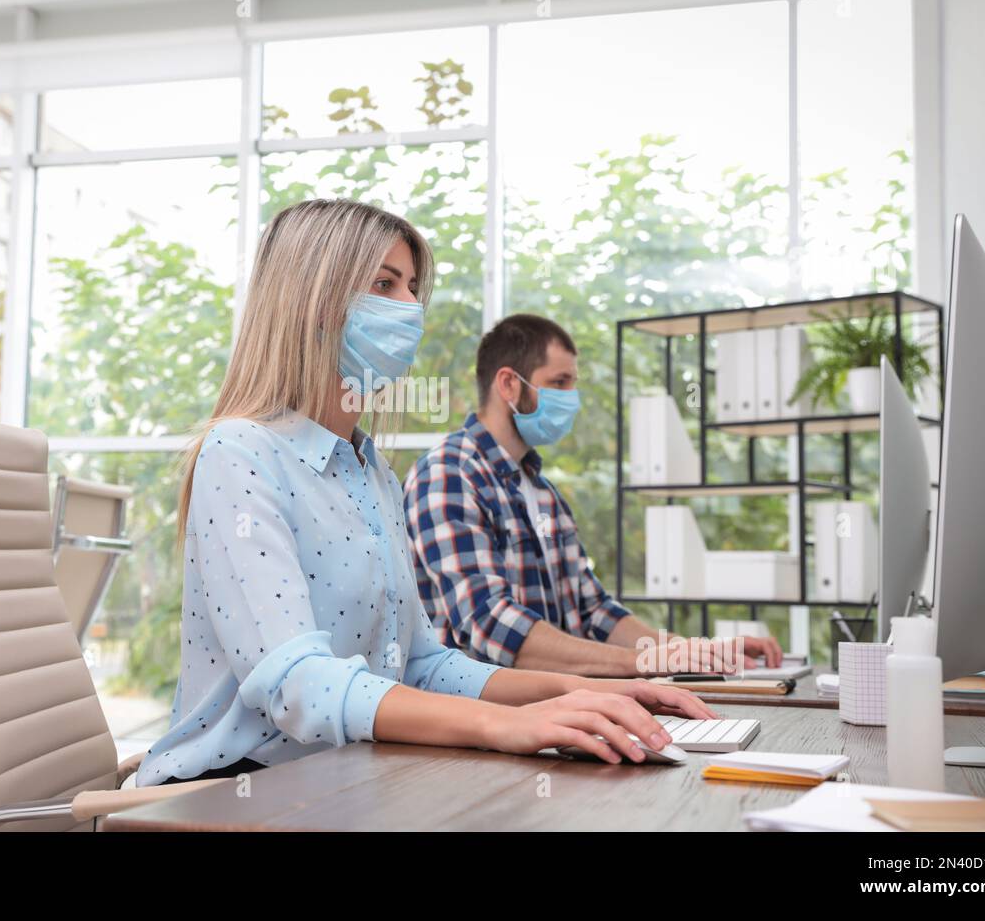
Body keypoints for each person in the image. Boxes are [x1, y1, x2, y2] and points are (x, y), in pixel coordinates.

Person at [137, 201, 715, 787]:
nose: (412, 307)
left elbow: (421, 664)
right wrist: (506, 725)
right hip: (230, 791)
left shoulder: (373, 473)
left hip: (343, 779)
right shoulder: (240, 453)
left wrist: (586, 691)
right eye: (384, 284)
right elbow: (298, 685)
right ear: (311, 303)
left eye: (413, 287)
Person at [403, 313, 784, 678]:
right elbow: (491, 626)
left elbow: (593, 610)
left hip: (555, 709)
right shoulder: (448, 474)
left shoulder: (540, 490)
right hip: (482, 722)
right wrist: (641, 663)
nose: (573, 398)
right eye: (560, 382)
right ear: (508, 384)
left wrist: (693, 651)